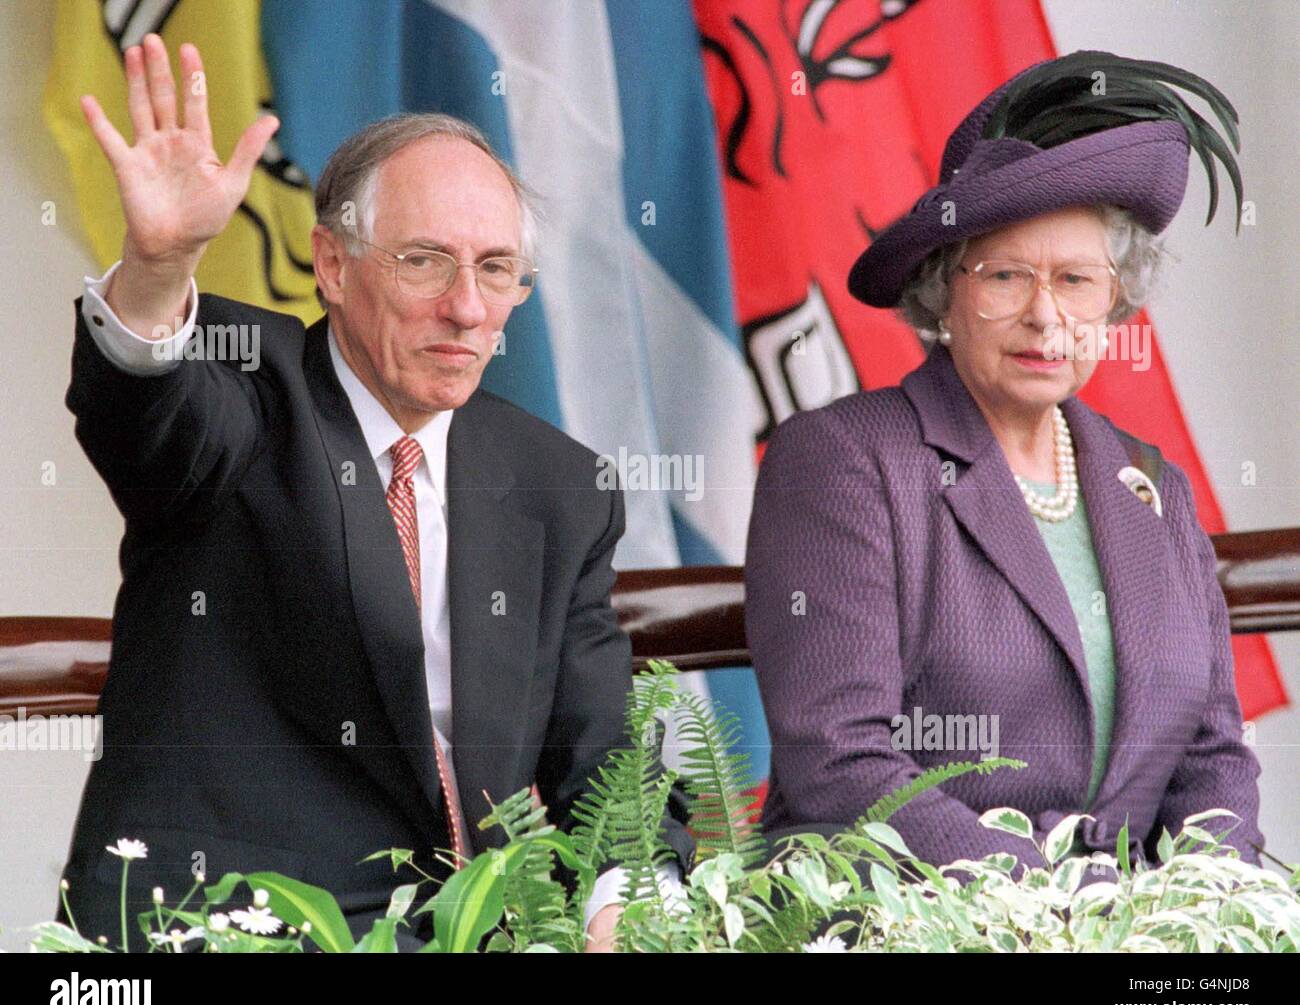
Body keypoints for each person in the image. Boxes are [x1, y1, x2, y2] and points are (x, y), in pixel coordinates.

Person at [57, 33, 688, 952]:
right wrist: (158, 269)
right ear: (333, 264)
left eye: (497, 269)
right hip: (226, 924)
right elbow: (144, 410)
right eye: (425, 261)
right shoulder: (243, 388)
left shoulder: (558, 485)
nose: (468, 308)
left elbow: (605, 760)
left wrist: (627, 896)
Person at [745, 51, 1264, 877]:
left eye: (1076, 280)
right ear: (944, 291)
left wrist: (1209, 900)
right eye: (1007, 277)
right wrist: (1053, 902)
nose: (1045, 315)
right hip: (917, 910)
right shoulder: (846, 462)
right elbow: (837, 765)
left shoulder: (1153, 488)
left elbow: (1213, 759)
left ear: (1114, 301)